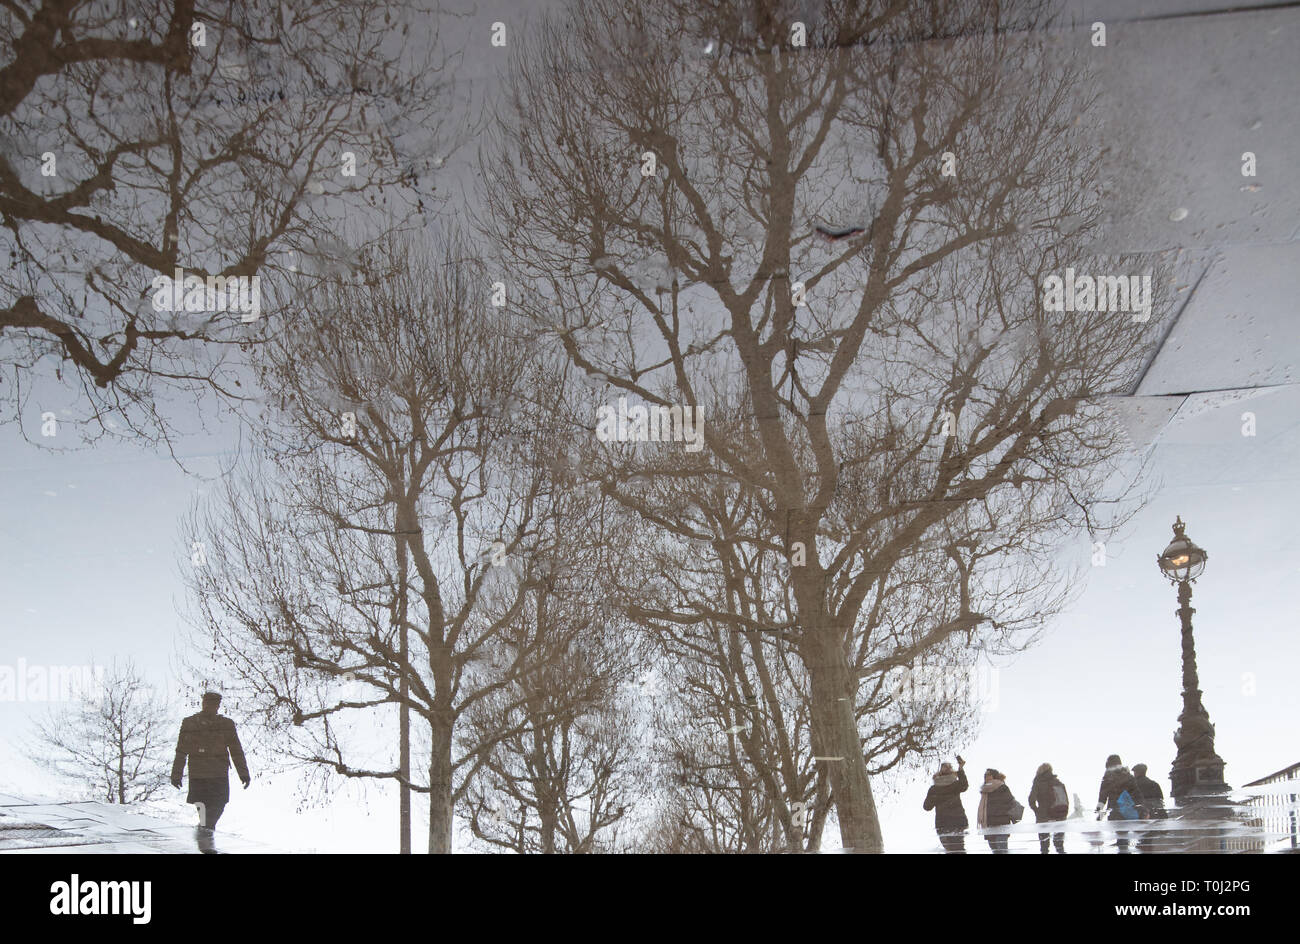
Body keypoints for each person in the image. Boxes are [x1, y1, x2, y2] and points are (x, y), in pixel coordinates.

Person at [171, 691, 250, 852]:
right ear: (203, 703)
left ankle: (205, 832)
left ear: (218, 706)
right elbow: (181, 750)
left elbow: (236, 750)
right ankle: (205, 840)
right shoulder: (190, 723)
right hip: (198, 772)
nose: (210, 706)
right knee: (201, 805)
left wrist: (243, 773)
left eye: (214, 704)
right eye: (207, 702)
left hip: (218, 772)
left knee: (219, 804)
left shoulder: (226, 724)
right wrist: (176, 773)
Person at [923, 755, 969, 853]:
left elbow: (964, 785)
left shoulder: (954, 784)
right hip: (947, 822)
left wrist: (960, 768)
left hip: (953, 822)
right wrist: (934, 797)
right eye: (945, 766)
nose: (947, 768)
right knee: (954, 849)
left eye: (949, 766)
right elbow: (927, 806)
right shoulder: (935, 788)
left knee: (956, 849)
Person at [1096, 753, 1140, 853]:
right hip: (1128, 809)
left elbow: (1103, 796)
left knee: (1121, 837)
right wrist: (1139, 807)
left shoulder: (1108, 777)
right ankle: (1124, 848)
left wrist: (1099, 813)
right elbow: (1136, 793)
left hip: (1115, 810)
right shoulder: (1128, 775)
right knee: (1124, 836)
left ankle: (1123, 848)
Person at [1027, 762, 1069, 854]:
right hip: (1059, 816)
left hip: (1043, 817)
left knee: (1044, 847)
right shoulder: (1058, 782)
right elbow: (1065, 800)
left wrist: (1037, 811)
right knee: (1059, 846)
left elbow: (1031, 800)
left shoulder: (1038, 782)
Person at [978, 768, 1019, 854]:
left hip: (1002, 823)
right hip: (989, 824)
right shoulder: (985, 791)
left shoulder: (1002, 787)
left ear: (994, 776)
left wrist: (1000, 811)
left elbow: (1010, 801)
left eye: (989, 775)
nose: (986, 777)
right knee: (995, 851)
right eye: (985, 775)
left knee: (1002, 850)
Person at [1131, 763, 1168, 852]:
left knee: (1141, 839)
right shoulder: (1154, 784)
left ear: (1138, 772)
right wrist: (1163, 816)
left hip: (1139, 815)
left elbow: (1130, 801)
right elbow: (1160, 802)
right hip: (1152, 815)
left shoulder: (1134, 785)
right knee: (1148, 839)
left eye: (1135, 772)